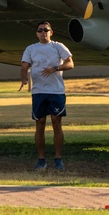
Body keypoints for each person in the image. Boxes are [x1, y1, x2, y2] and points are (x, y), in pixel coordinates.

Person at [19, 21, 74, 170]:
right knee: (40, 123)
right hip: (39, 92)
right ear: (36, 33)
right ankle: (41, 159)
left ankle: (58, 158)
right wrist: (23, 79)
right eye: (40, 30)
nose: (43, 33)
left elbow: (70, 64)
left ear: (51, 32)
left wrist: (55, 68)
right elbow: (24, 66)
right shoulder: (31, 49)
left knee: (56, 122)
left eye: (46, 30)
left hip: (56, 91)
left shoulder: (58, 46)